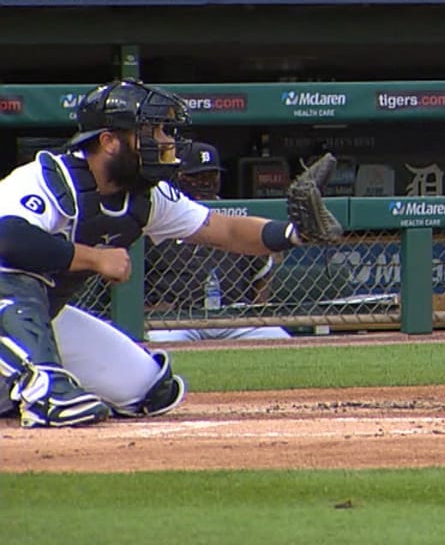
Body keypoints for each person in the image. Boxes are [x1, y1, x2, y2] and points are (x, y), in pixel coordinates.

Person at [0, 79, 340, 427]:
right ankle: (46, 393)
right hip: (11, 305)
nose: (165, 141)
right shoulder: (45, 178)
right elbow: (8, 239)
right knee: (9, 274)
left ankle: (13, 389)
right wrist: (96, 258)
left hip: (42, 316)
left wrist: (294, 233)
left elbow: (225, 230)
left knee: (148, 390)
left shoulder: (146, 196)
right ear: (109, 141)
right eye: (151, 130)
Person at [143, 142, 293, 342]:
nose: (205, 183)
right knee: (157, 341)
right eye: (196, 177)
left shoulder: (234, 218)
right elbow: (134, 281)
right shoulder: (161, 218)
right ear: (178, 178)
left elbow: (262, 275)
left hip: (234, 316)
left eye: (211, 176)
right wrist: (151, 310)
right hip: (177, 319)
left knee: (278, 339)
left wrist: (257, 310)